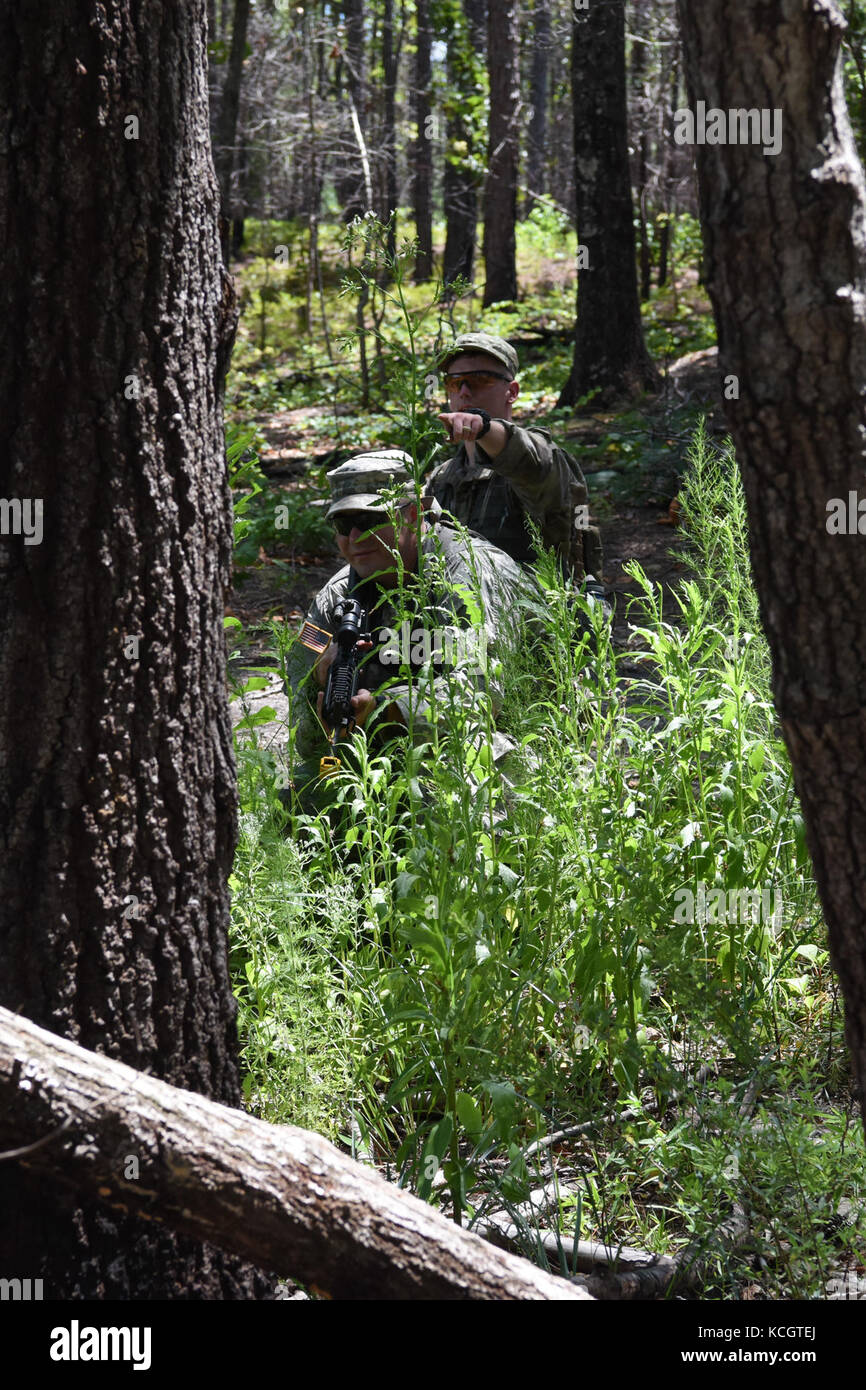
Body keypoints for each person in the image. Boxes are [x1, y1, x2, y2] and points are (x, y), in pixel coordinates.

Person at [282, 450, 541, 809]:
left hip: (502, 749)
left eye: (369, 519)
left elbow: (480, 701)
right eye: (343, 525)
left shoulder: (468, 572)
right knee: (295, 803)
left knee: (447, 792)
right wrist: (320, 688)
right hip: (383, 755)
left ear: (414, 514)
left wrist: (383, 710)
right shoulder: (337, 596)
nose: (355, 536)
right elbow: (303, 735)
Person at [425, 332, 605, 583]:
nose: (464, 392)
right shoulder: (441, 479)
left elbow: (531, 460)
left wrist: (484, 427)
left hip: (538, 614)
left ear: (511, 392)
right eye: (455, 382)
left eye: (480, 379)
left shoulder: (545, 458)